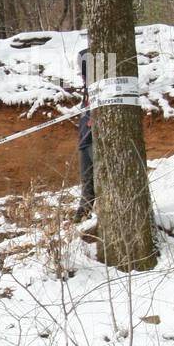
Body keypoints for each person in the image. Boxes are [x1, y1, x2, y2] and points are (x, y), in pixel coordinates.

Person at [75, 45, 95, 222]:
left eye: (81, 68)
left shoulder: (99, 89)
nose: (80, 73)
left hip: (94, 141)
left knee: (98, 180)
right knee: (86, 183)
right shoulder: (86, 90)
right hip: (84, 141)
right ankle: (82, 216)